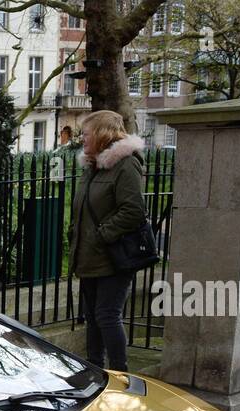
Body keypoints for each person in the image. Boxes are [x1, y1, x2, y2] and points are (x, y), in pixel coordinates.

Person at [68, 110, 147, 372]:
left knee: (106, 316)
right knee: (92, 317)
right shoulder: (92, 166)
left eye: (86, 134)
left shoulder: (126, 165)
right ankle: (95, 369)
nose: (82, 139)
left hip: (113, 256)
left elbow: (133, 210)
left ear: (102, 134)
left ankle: (119, 372)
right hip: (89, 254)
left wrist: (101, 235)